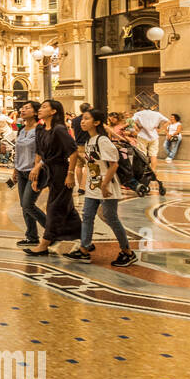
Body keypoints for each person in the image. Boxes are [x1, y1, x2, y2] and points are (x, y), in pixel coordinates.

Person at [65, 108, 136, 267]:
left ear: (96, 122)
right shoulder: (90, 140)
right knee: (88, 215)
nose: (82, 121)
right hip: (94, 185)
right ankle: (84, 249)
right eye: (82, 119)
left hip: (106, 185)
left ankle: (127, 252)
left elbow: (114, 165)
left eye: (86, 119)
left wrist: (104, 185)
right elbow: (94, 164)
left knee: (111, 218)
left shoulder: (102, 140)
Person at [23, 99, 82, 256]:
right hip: (48, 170)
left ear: (53, 111)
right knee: (68, 210)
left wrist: (70, 175)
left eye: (44, 107)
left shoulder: (59, 129)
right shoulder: (42, 129)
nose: (40, 110)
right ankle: (86, 241)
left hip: (61, 172)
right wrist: (36, 177)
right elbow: (39, 154)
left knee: (54, 208)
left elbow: (73, 152)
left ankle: (44, 244)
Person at [12, 100, 46, 247]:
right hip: (21, 171)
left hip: (34, 172)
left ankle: (52, 230)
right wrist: (15, 169)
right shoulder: (21, 129)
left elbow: (45, 152)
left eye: (27, 108)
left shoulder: (40, 130)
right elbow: (18, 151)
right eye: (22, 108)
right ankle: (32, 236)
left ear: (35, 112)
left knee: (28, 204)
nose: (22, 110)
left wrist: (37, 167)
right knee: (23, 205)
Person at [131, 104, 168, 172]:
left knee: (142, 153)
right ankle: (153, 170)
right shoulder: (157, 114)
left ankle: (143, 170)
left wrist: (136, 128)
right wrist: (161, 129)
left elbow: (130, 121)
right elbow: (168, 121)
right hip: (154, 135)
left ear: (142, 108)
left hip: (142, 134)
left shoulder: (139, 113)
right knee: (153, 155)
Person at [70, 102, 92, 194]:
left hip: (78, 144)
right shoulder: (89, 120)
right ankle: (84, 186)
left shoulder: (74, 120)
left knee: (78, 166)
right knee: (88, 166)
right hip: (88, 144)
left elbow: (73, 133)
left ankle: (80, 185)